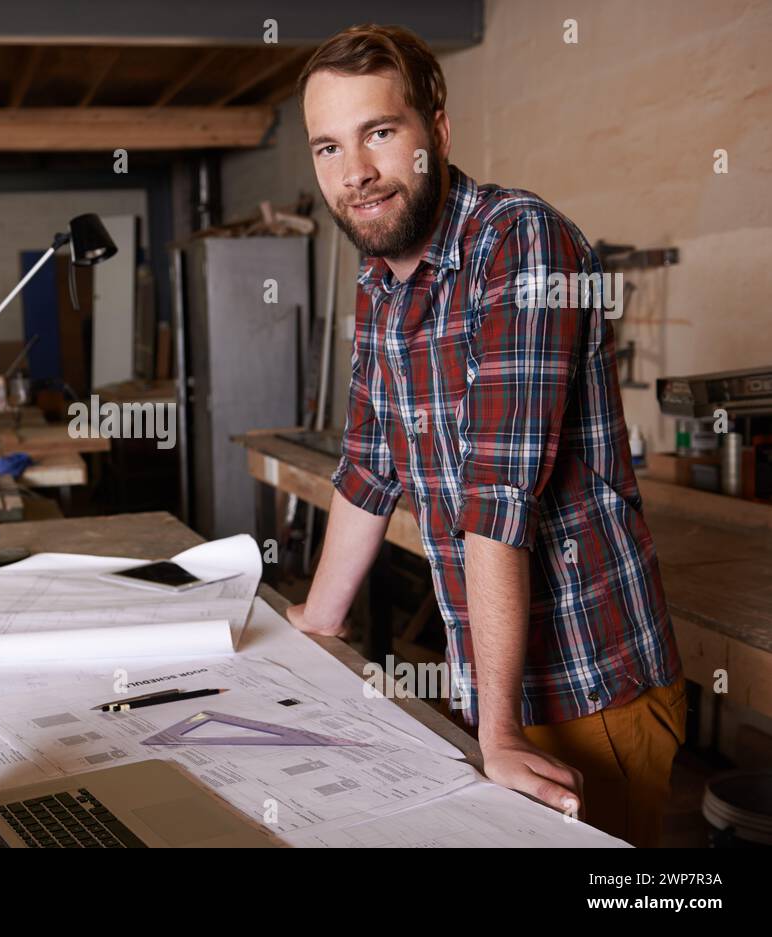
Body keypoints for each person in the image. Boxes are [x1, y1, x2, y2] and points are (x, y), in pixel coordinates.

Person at [286, 24, 685, 847]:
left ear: (438, 128)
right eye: (328, 148)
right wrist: (313, 626)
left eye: (380, 134)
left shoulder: (520, 244)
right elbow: (368, 469)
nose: (353, 173)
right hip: (495, 688)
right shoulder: (380, 279)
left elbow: (497, 501)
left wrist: (496, 734)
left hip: (588, 689)